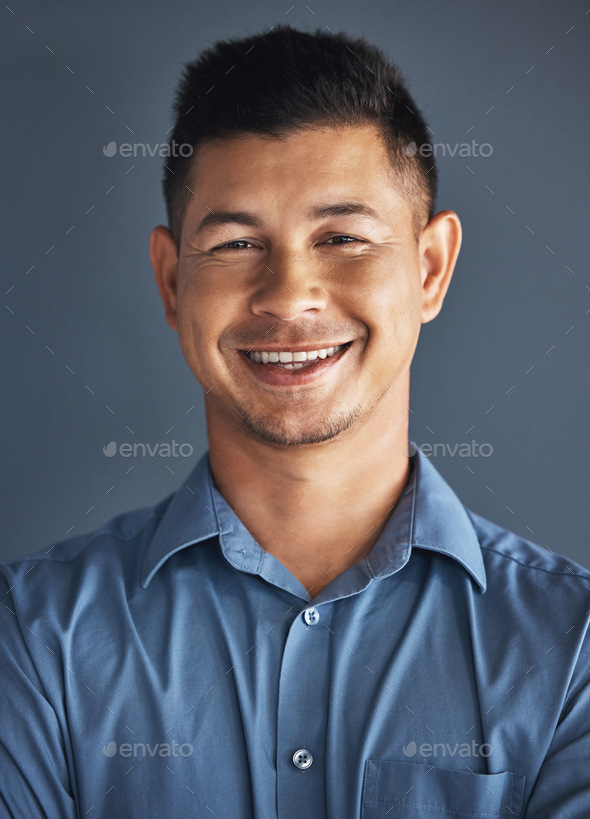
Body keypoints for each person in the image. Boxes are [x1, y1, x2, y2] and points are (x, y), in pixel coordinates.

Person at [1, 23, 589, 819]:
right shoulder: (34, 637)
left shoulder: (573, 647)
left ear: (429, 269)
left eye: (342, 237)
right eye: (239, 242)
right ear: (172, 283)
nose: (289, 293)